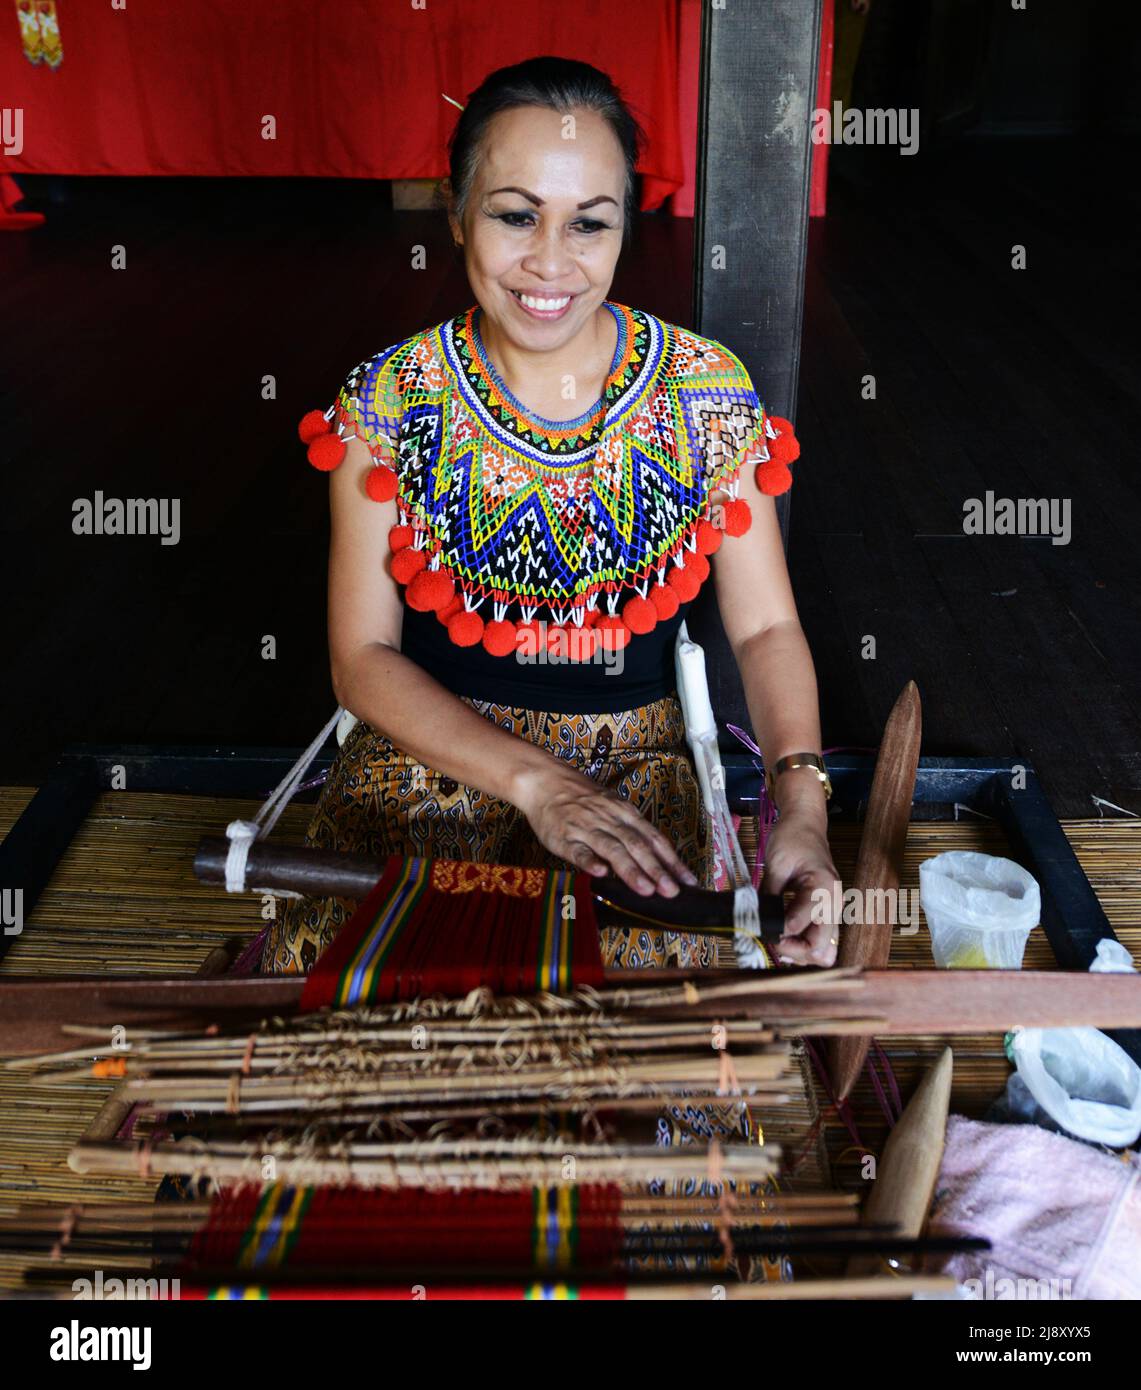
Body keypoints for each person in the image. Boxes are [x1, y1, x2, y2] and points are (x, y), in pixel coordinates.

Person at [264, 56, 839, 978]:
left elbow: (766, 625)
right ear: (456, 212)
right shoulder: (391, 400)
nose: (550, 261)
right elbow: (360, 661)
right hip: (428, 754)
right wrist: (537, 784)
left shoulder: (703, 392)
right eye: (515, 214)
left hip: (632, 780)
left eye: (589, 224)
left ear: (622, 230)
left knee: (639, 996)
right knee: (374, 976)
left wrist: (800, 814)